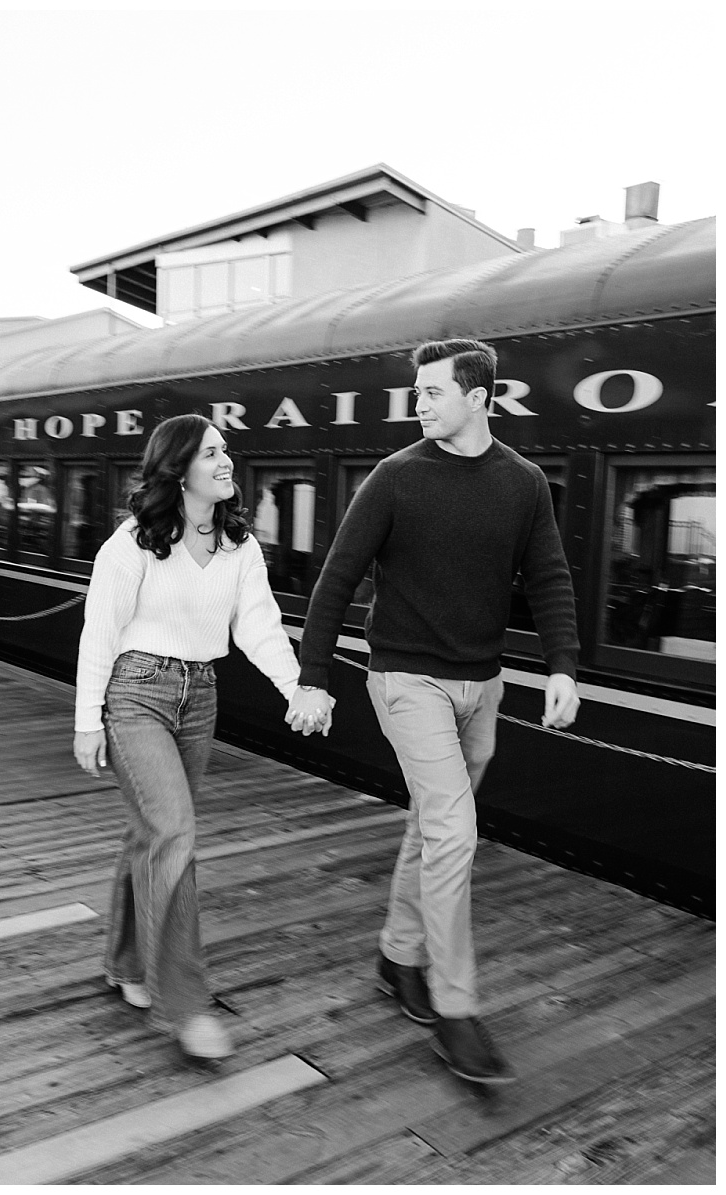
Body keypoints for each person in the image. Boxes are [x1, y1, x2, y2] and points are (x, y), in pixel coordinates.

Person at [288, 338, 580, 1085]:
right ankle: (456, 1011)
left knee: (432, 825)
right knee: (455, 828)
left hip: (483, 685)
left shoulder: (523, 483)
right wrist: (312, 677)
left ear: (480, 396)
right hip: (406, 680)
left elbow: (547, 574)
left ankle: (397, 953)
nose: (418, 403)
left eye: (431, 392)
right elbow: (336, 580)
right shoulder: (394, 478)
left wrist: (562, 666)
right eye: (416, 392)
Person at [73, 413, 304, 1059]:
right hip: (135, 693)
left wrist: (296, 687)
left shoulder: (239, 546)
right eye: (211, 453)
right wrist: (88, 718)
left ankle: (124, 964)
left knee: (151, 831)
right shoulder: (131, 544)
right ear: (179, 469)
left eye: (226, 450)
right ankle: (185, 1000)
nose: (227, 461)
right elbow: (100, 632)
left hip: (199, 694)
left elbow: (259, 626)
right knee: (174, 830)